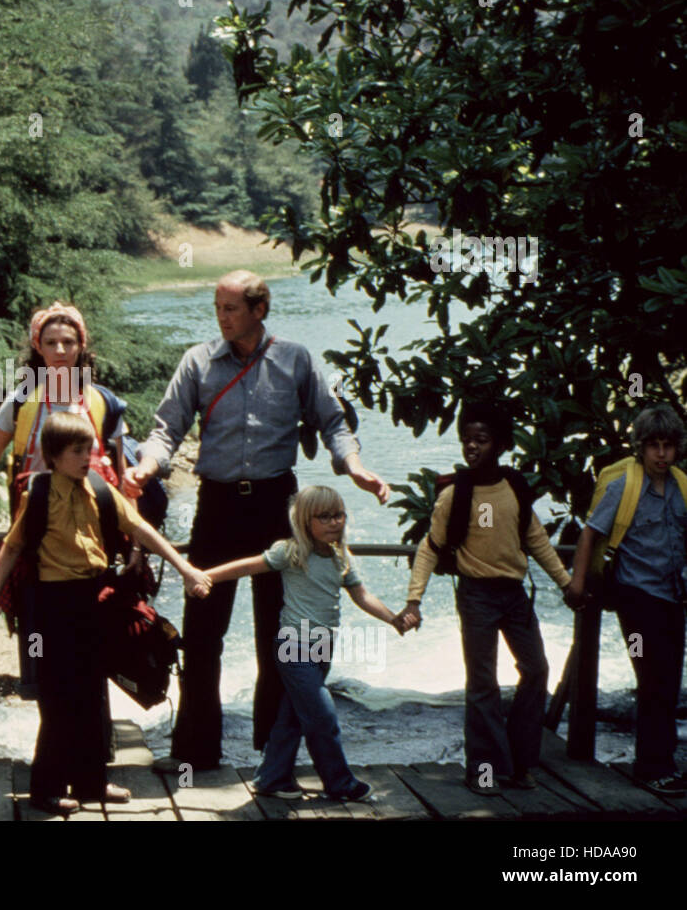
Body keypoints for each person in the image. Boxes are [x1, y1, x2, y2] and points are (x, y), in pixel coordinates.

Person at [123, 270, 390, 770]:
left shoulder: (295, 359)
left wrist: (354, 468)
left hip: (277, 507)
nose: (221, 318)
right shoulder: (198, 362)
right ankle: (197, 751)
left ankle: (275, 751)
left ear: (259, 310)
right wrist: (146, 467)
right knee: (202, 632)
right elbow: (165, 430)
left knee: (279, 633)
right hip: (217, 506)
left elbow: (333, 422)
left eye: (231, 309)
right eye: (218, 308)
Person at [0, 412, 212, 814]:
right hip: (50, 606)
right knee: (57, 700)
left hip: (93, 598)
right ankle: (45, 788)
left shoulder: (101, 490)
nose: (87, 457)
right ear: (52, 455)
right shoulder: (38, 493)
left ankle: (90, 783)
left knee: (90, 696)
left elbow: (141, 529)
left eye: (90, 449)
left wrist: (185, 567)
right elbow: (13, 548)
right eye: (77, 451)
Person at [403, 402, 571, 794]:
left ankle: (517, 763)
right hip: (476, 596)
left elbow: (536, 540)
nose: (471, 448)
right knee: (483, 684)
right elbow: (429, 547)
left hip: (514, 595)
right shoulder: (453, 495)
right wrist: (414, 600)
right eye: (466, 440)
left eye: (481, 440)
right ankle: (483, 771)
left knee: (537, 670)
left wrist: (566, 584)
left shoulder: (514, 487)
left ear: (500, 444)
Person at [205, 486, 403, 800]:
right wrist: (204, 577)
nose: (334, 522)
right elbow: (246, 566)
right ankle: (340, 783)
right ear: (304, 521)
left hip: (323, 646)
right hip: (293, 646)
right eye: (323, 517)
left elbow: (362, 596)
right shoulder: (291, 551)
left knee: (293, 716)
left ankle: (271, 778)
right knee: (322, 715)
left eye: (338, 515)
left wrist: (393, 618)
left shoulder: (341, 556)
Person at [569, 403, 687, 796]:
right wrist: (577, 582)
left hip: (672, 597)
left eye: (667, 445)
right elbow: (589, 533)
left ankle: (663, 763)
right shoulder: (624, 487)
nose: (660, 454)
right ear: (640, 447)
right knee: (651, 678)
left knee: (668, 680)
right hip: (635, 598)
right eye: (652, 445)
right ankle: (651, 767)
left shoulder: (682, 487)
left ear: (677, 448)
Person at [0, 301, 127, 525]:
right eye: (51, 343)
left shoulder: (103, 403)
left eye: (68, 342)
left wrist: (134, 544)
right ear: (39, 348)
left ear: (80, 346)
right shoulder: (21, 403)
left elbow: (124, 477)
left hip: (95, 526)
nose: (60, 350)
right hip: (37, 526)